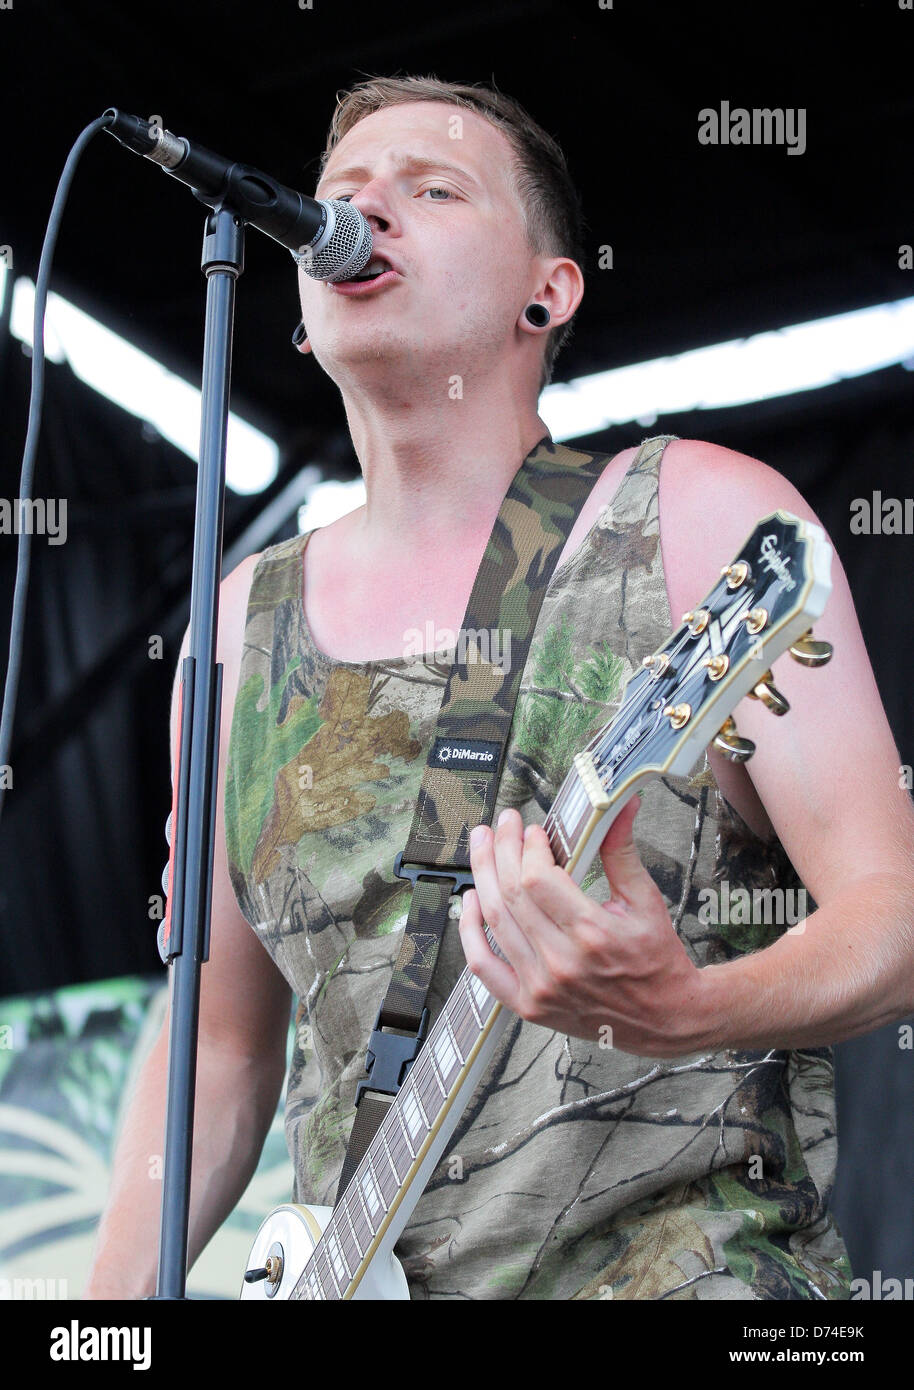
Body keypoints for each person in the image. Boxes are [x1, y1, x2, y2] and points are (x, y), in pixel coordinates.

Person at [85, 76, 914, 1301]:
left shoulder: (696, 520)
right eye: (343, 196)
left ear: (548, 289)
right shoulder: (233, 625)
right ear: (303, 320)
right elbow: (218, 1049)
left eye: (433, 188)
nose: (368, 210)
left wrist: (685, 1005)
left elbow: (893, 915)